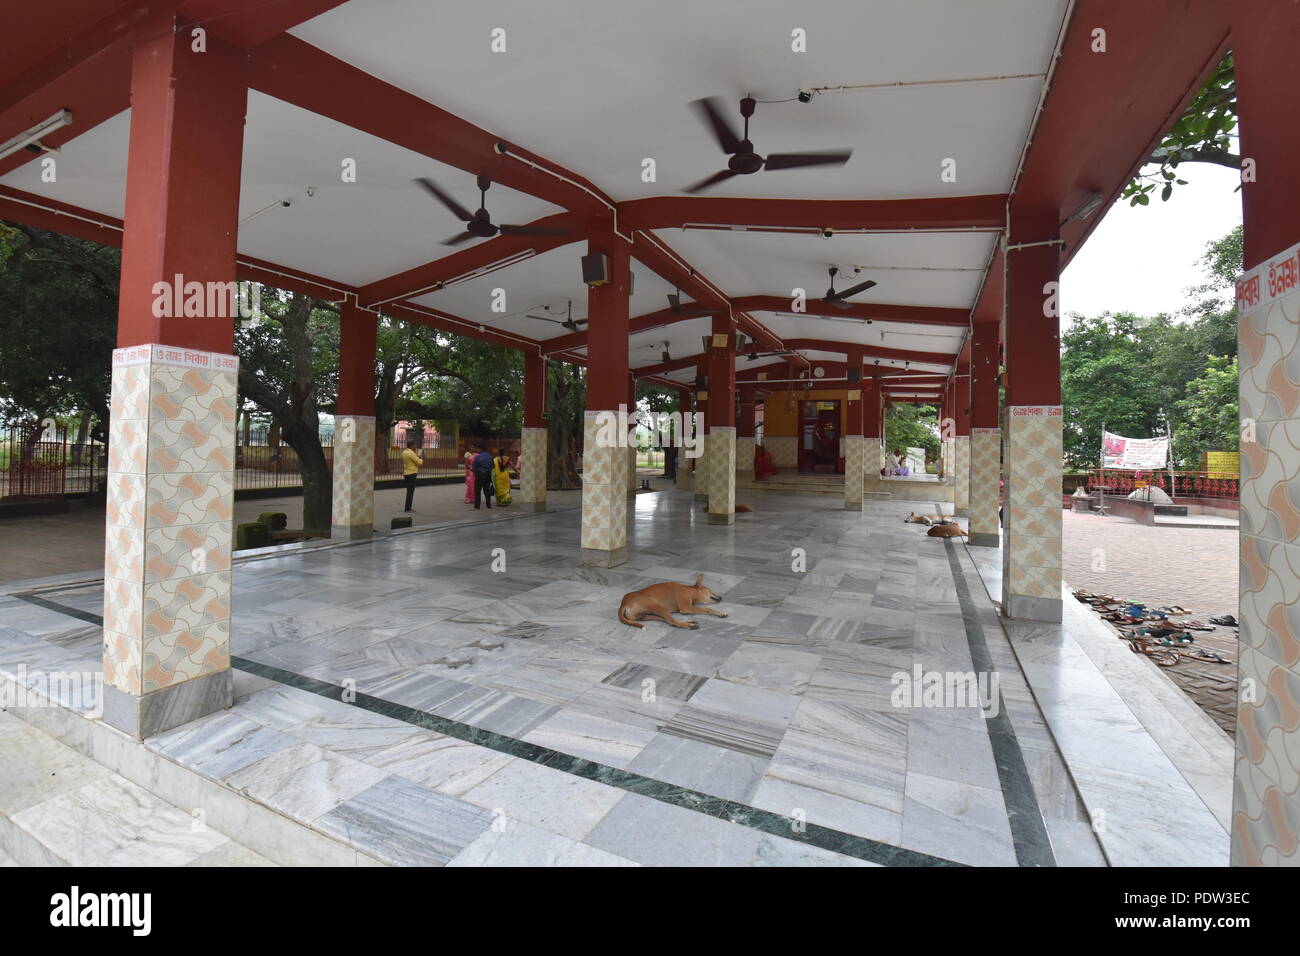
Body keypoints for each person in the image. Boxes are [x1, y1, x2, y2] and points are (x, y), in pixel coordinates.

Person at [471, 444, 495, 510]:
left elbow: (474, 467)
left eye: (478, 449)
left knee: (477, 490)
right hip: (488, 474)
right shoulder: (490, 456)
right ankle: (489, 505)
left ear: (480, 449)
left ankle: (477, 506)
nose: (477, 450)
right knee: (487, 490)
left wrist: (476, 474)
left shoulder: (478, 457)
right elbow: (493, 466)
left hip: (480, 474)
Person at [401, 439, 422, 512]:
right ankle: (408, 508)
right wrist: (420, 457)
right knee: (410, 492)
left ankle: (408, 507)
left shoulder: (404, 452)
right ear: (412, 445)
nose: (415, 446)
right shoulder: (411, 453)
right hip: (412, 473)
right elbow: (419, 462)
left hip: (406, 473)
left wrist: (415, 453)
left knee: (409, 491)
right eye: (414, 445)